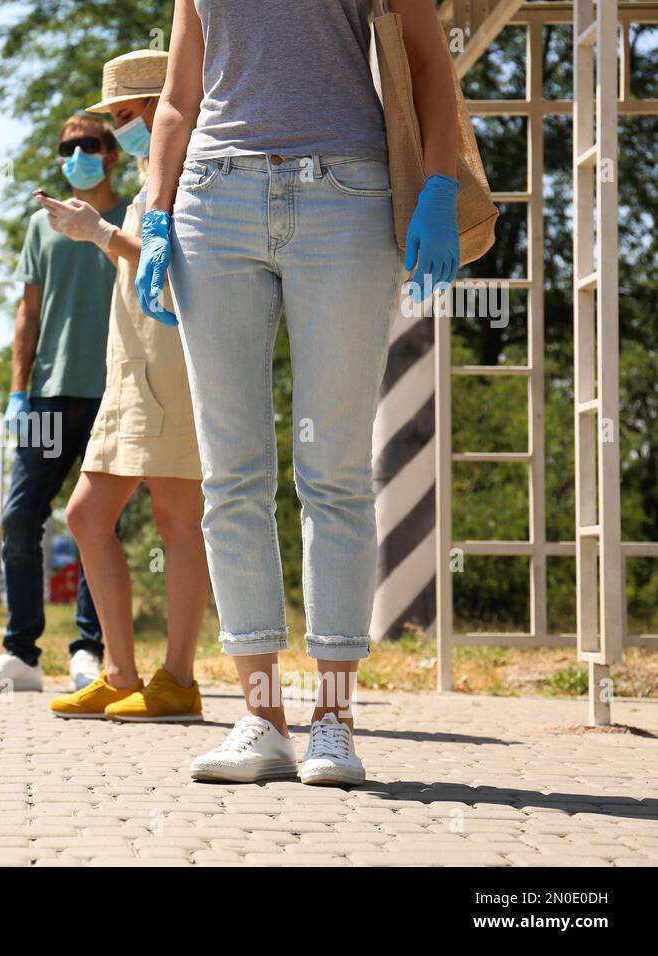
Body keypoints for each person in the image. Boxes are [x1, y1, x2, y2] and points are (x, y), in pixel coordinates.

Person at [137, 0, 461, 784]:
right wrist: (155, 212)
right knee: (232, 474)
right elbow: (179, 96)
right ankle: (261, 717)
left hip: (346, 200)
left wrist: (441, 186)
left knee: (336, 475)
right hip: (212, 205)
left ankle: (336, 723)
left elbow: (428, 66)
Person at [35, 50, 210, 723]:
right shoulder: (147, 175)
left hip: (171, 366)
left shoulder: (195, 169)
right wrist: (99, 231)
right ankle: (119, 672)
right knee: (85, 515)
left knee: (176, 518)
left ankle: (177, 680)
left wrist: (98, 232)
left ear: (161, 107)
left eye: (126, 115)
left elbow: (185, 267)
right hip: (132, 370)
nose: (119, 128)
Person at [0, 114, 132, 694]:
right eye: (68, 147)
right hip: (50, 398)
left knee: (96, 522)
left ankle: (88, 649)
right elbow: (27, 314)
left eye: (89, 144)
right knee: (19, 518)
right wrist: (16, 391)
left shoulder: (129, 218)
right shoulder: (42, 225)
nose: (77, 153)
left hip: (115, 392)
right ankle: (21, 656)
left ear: (111, 155)